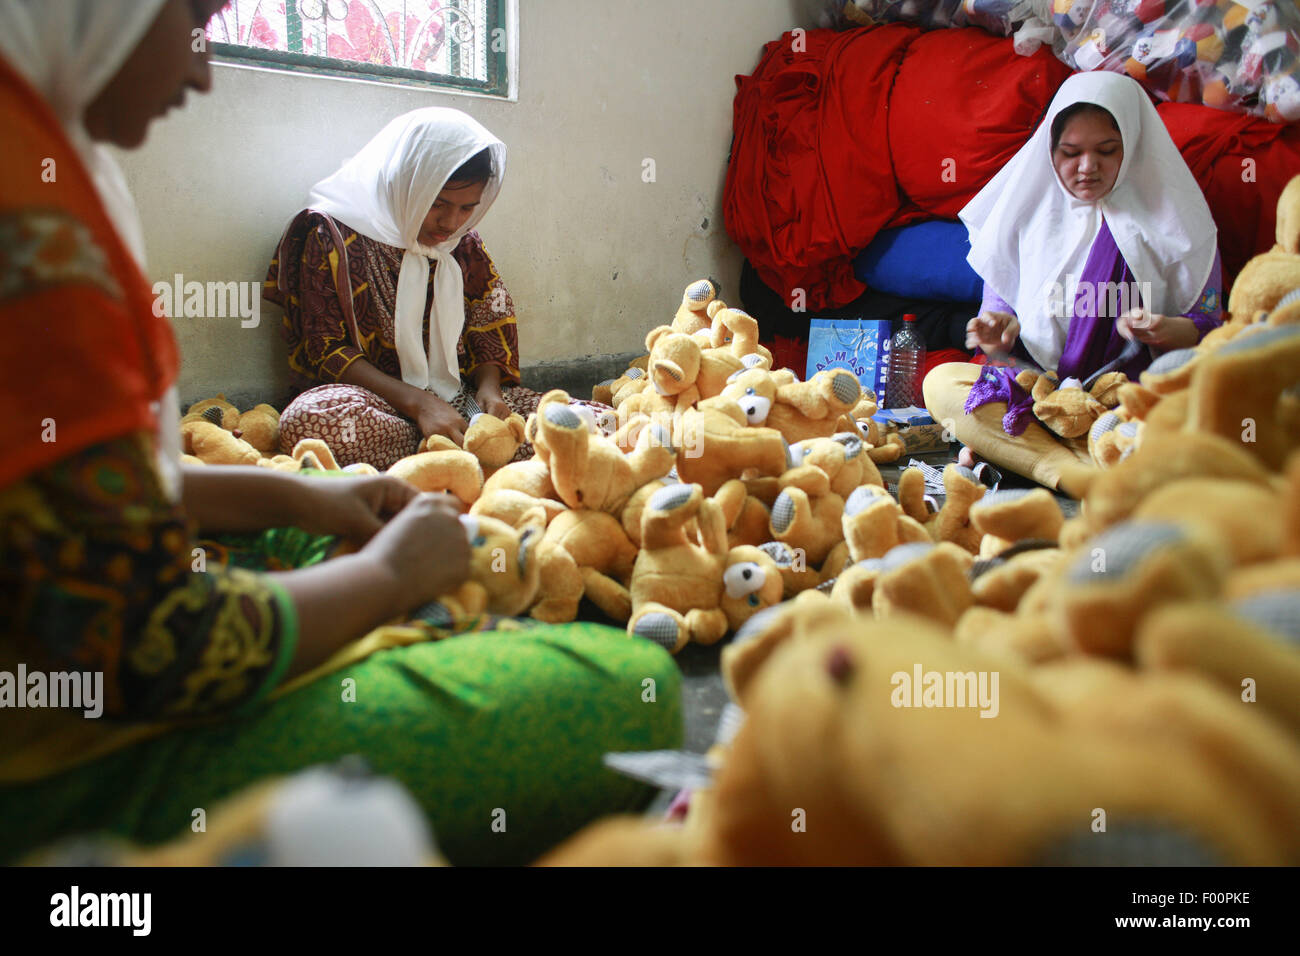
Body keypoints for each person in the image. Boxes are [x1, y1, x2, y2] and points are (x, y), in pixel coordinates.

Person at [0, 0, 679, 866]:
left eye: (466, 211)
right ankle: (424, 599)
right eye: (196, 19)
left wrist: (479, 398)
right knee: (636, 686)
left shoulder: (47, 170)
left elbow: (492, 333)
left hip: (439, 416)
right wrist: (383, 578)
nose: (202, 68)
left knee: (555, 417)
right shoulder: (314, 233)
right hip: (70, 755)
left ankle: (435, 531)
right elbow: (152, 644)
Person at [922, 71, 1223, 497]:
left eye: (1106, 150)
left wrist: (1171, 331)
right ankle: (1081, 476)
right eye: (1070, 152)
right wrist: (995, 334)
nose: (1087, 167)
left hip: (1129, 401)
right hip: (1037, 394)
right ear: (1050, 149)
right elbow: (998, 322)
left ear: (1134, 147)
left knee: (1203, 414)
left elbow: (1210, 326)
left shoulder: (1180, 224)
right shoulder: (1024, 215)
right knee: (941, 385)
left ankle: (1038, 461)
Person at [266, 107, 613, 469]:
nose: (451, 222)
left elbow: (487, 325)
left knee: (601, 422)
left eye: (467, 208)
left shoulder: (462, 244)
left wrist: (489, 391)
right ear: (405, 183)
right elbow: (324, 349)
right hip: (377, 406)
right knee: (310, 422)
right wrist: (420, 404)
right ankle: (476, 453)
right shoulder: (329, 235)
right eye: (437, 204)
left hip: (461, 401)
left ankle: (459, 448)